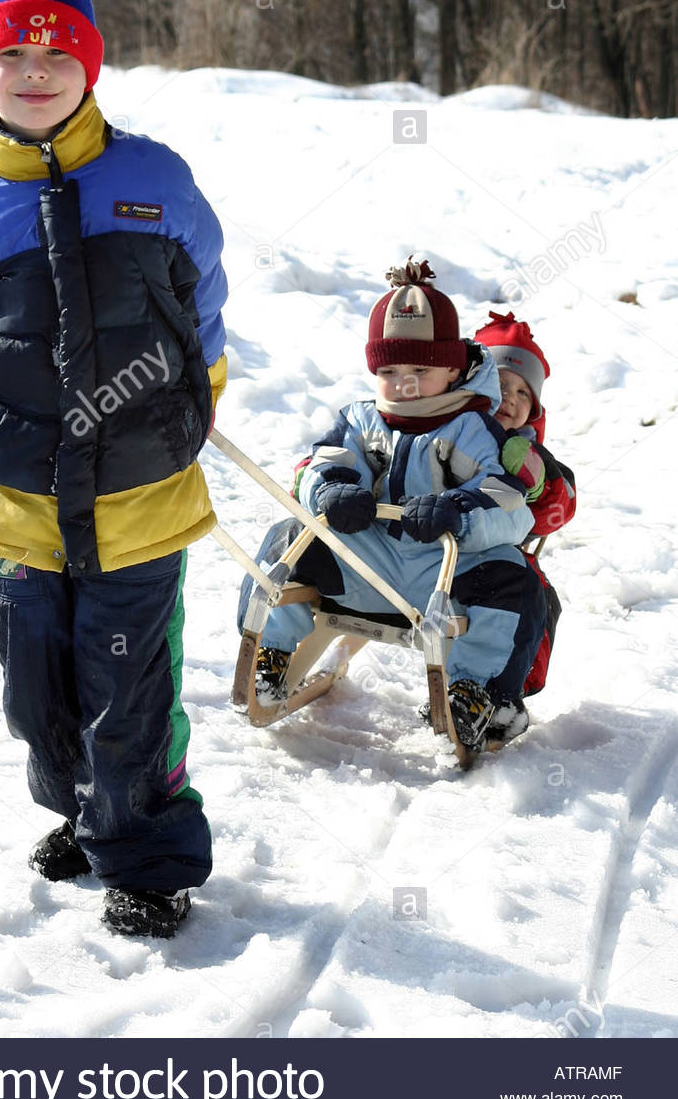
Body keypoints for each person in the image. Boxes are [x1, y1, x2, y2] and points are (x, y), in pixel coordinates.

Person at [0, 0, 228, 938]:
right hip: (12, 501)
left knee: (127, 687)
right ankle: (87, 811)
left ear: (89, 64)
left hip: (137, 494)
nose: (35, 68)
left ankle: (145, 851)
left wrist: (193, 404)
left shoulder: (152, 179)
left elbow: (204, 304)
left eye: (57, 48)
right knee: (36, 690)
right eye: (12, 49)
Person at [240, 259, 546, 751]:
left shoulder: (470, 428)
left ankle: (473, 689)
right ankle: (268, 653)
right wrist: (332, 491)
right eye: (388, 370)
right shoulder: (361, 421)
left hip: (441, 581)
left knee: (516, 579)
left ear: (452, 369)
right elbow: (324, 463)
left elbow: (508, 500)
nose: (403, 383)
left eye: (420, 370)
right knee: (287, 538)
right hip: (362, 568)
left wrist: (456, 511)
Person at [474, 311, 576, 695]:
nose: (511, 401)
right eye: (501, 386)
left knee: (535, 595)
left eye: (523, 393)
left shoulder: (529, 454)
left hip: (494, 555)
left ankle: (505, 690)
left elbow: (557, 509)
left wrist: (539, 481)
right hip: (428, 543)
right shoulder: (446, 434)